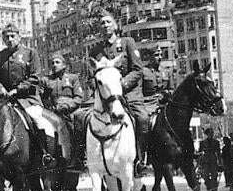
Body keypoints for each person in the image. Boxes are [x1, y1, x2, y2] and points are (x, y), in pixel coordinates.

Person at [92, 10, 151, 168]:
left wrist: (122, 84)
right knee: (83, 119)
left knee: (143, 119)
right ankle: (89, 160)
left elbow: (138, 70)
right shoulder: (96, 51)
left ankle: (140, 159)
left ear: (115, 24)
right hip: (106, 98)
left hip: (129, 95)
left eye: (108, 22)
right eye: (102, 23)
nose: (105, 26)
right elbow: (92, 77)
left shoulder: (127, 43)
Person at [0, 24, 56, 166]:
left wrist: (17, 90)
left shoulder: (30, 53)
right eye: (6, 37)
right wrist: (0, 88)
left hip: (27, 99)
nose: (10, 39)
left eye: (13, 36)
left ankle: (44, 153)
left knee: (37, 121)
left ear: (19, 37)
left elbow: (35, 77)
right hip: (5, 101)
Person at [40, 53, 82, 118]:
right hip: (54, 113)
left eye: (57, 62)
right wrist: (50, 107)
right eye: (52, 63)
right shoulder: (46, 80)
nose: (54, 65)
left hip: (71, 112)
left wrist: (67, 106)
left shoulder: (73, 78)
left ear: (64, 65)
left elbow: (78, 98)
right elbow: (43, 99)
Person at [200, 127, 222, 191]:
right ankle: (208, 187)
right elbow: (200, 152)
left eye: (212, 133)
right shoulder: (202, 142)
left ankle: (213, 190)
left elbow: (218, 152)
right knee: (205, 176)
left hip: (213, 160)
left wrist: (220, 162)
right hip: (205, 160)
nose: (211, 134)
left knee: (214, 176)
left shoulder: (216, 142)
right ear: (207, 134)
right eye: (209, 133)